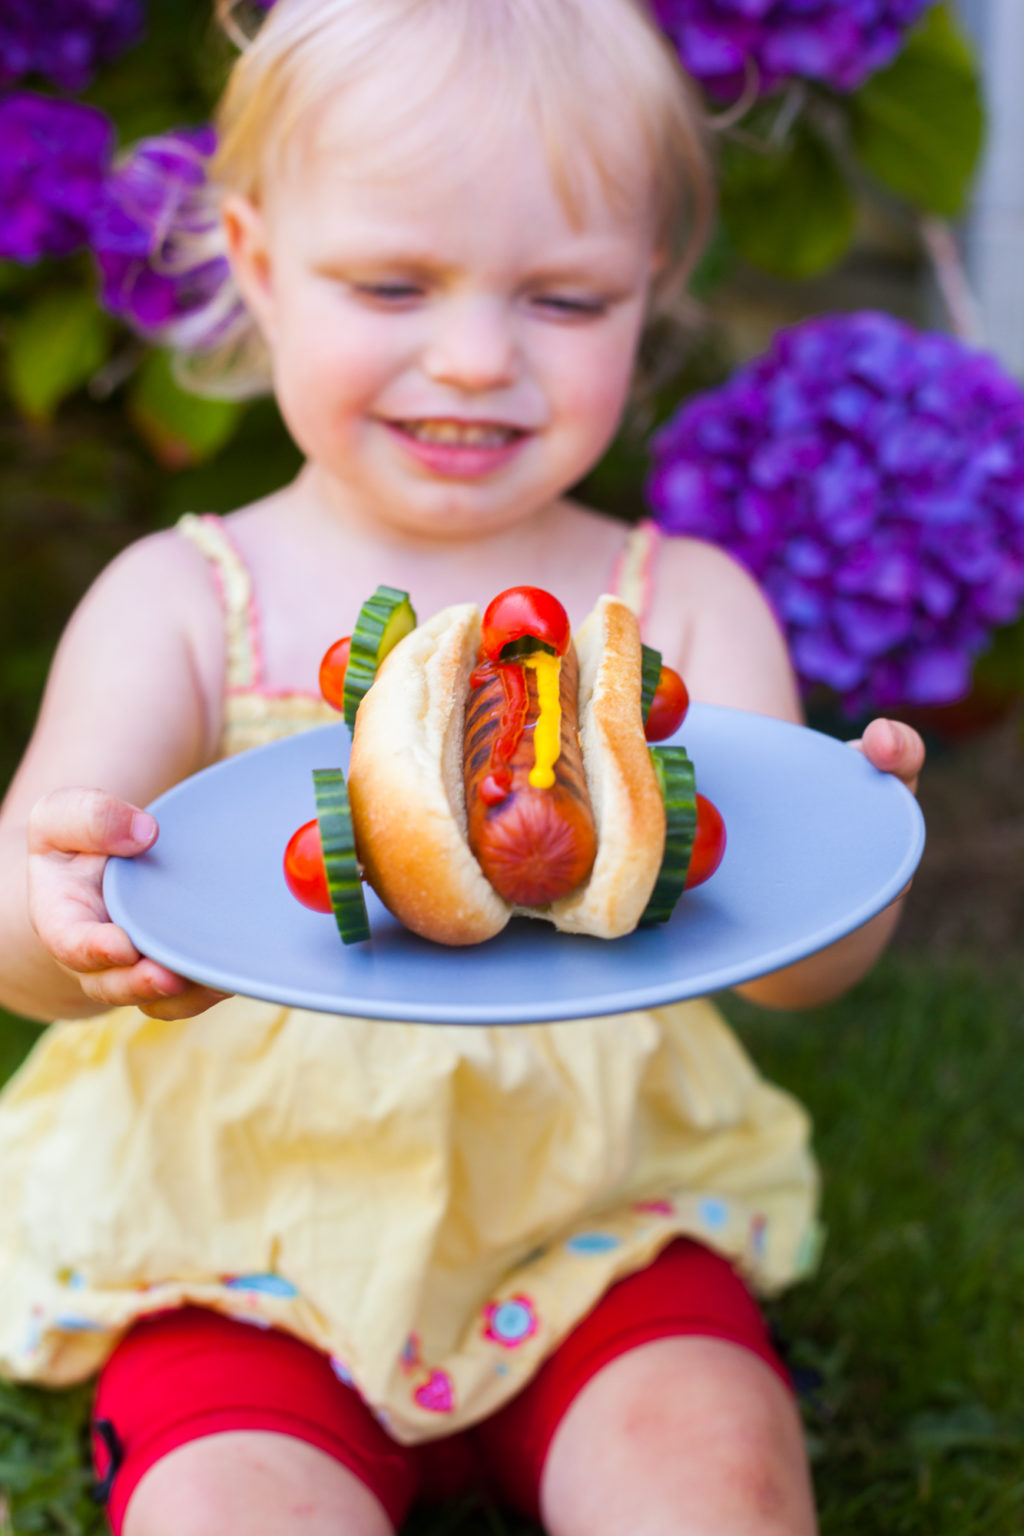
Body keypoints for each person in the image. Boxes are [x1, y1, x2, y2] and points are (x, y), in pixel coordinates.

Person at [0, 1, 926, 1532]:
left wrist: (850, 850)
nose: (478, 357)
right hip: (242, 1243)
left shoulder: (680, 605)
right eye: (391, 282)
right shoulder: (181, 601)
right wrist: (76, 922)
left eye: (563, 300)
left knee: (720, 1482)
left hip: (598, 1227)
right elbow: (23, 929)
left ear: (651, 292)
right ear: (253, 261)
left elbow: (786, 969)